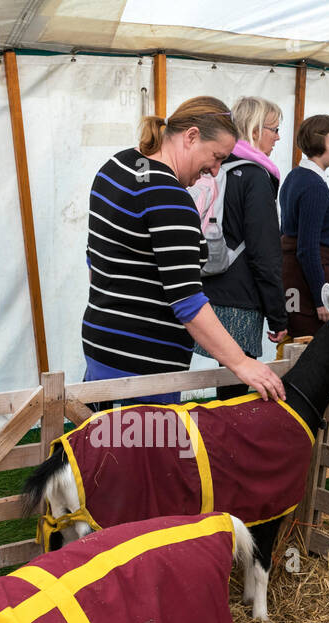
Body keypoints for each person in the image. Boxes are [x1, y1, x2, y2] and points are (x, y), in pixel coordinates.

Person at [81, 96, 284, 405]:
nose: (216, 171)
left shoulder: (115, 166)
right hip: (146, 367)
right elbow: (188, 302)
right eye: (216, 157)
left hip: (100, 342)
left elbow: (94, 259)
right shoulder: (170, 197)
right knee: (144, 451)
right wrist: (242, 362)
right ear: (191, 137)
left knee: (100, 446)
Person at [194, 96, 290, 400]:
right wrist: (278, 316)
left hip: (203, 291)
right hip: (241, 300)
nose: (277, 137)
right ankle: (227, 446)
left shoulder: (212, 168)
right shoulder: (255, 176)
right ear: (254, 129)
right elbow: (266, 255)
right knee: (235, 390)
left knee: (190, 382)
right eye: (274, 129)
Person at [280, 114, 329, 337]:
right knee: (316, 348)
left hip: (294, 277)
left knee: (295, 343)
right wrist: (322, 299)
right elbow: (307, 248)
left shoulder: (294, 177)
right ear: (318, 145)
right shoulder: (313, 186)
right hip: (310, 283)